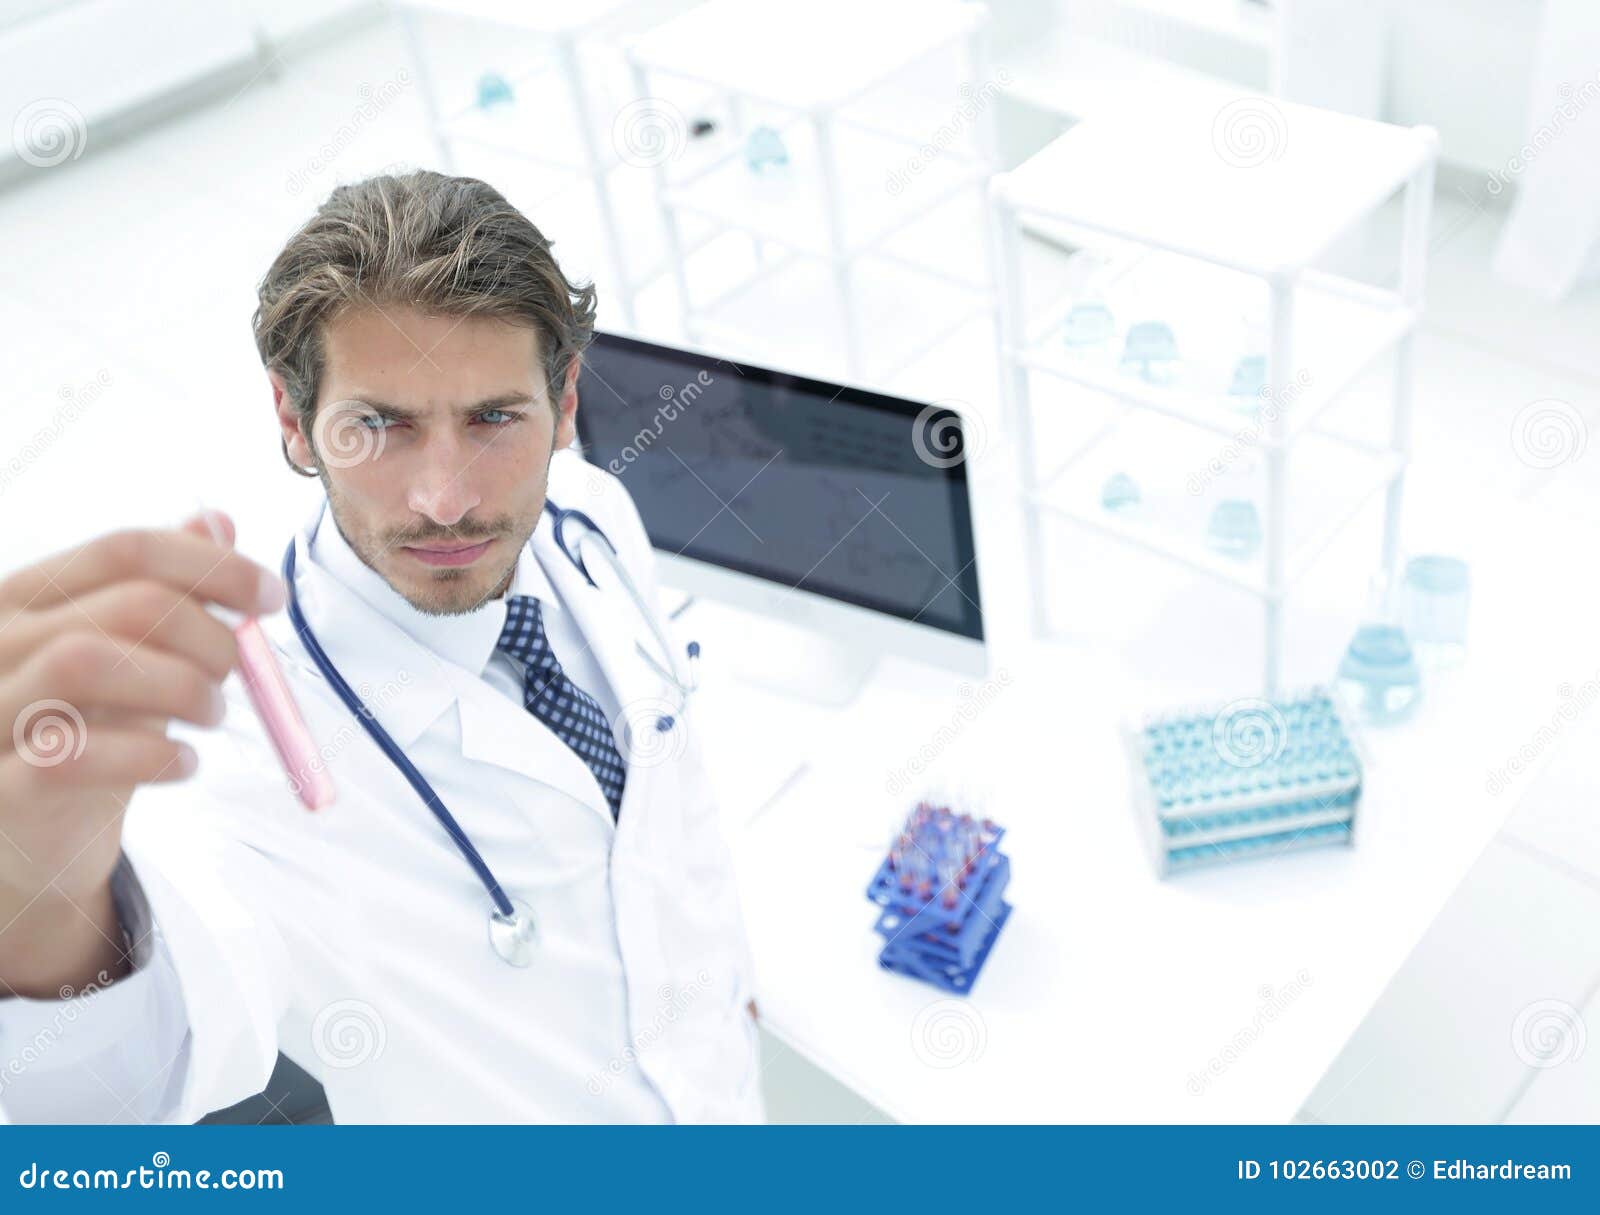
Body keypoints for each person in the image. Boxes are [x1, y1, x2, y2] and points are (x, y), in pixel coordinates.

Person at [0, 171, 762, 1123]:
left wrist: (719, 980)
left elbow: (670, 803)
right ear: (294, 422)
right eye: (379, 426)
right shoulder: (242, 749)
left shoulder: (592, 518)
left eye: (494, 418)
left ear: (566, 402)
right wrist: (33, 893)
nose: (445, 498)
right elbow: (126, 1078)